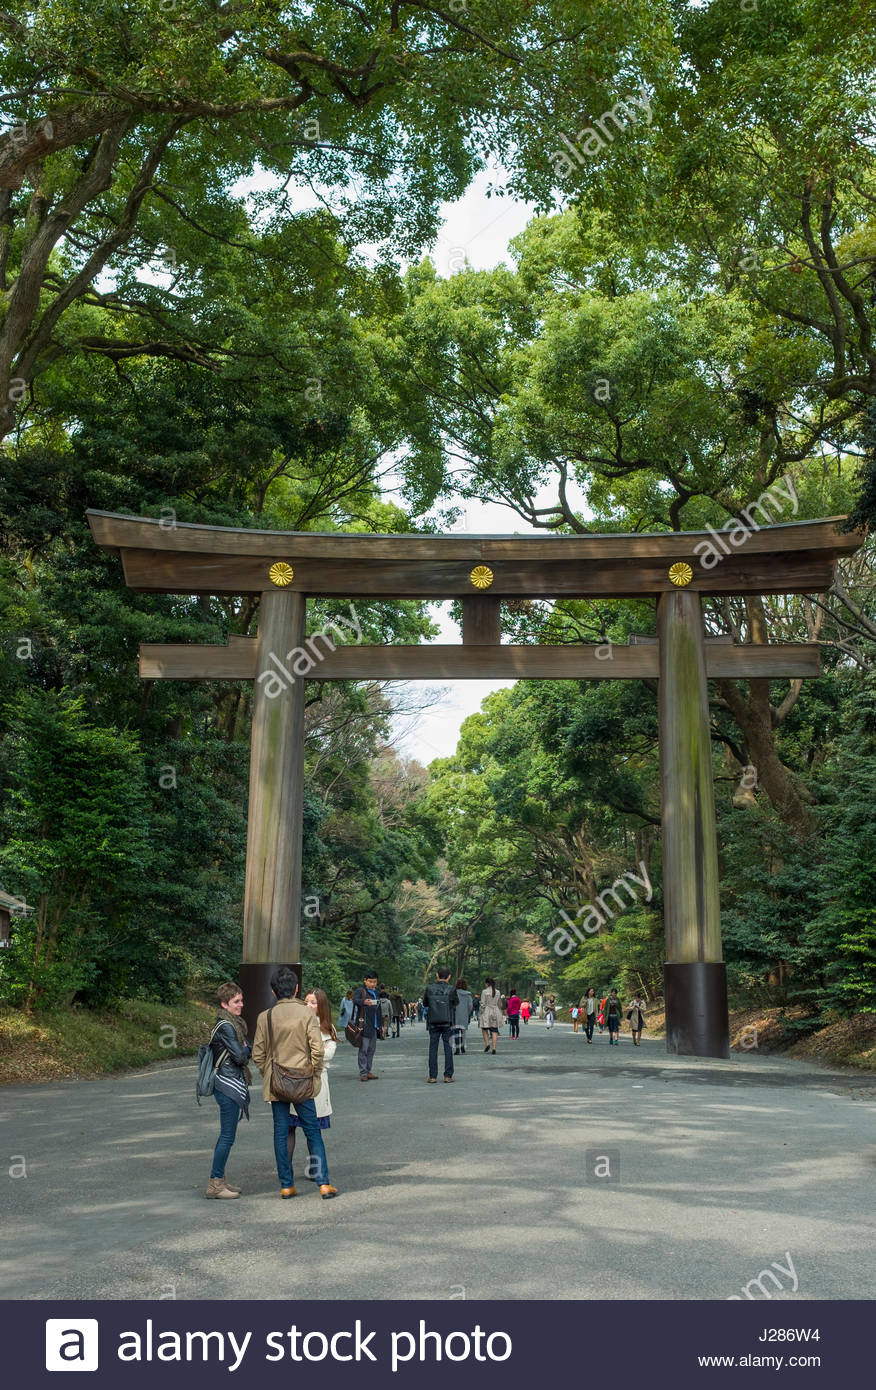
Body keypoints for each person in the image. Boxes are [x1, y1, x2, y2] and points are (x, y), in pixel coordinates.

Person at [251, 966, 336, 1199]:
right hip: (303, 1080)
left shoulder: (264, 1017)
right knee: (313, 1132)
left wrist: (268, 1073)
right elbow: (317, 1049)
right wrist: (314, 1074)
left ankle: (286, 1185)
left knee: (280, 1132)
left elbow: (258, 1054)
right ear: (297, 988)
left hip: (277, 1082)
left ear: (273, 991)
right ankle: (323, 1184)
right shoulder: (307, 1014)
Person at [205, 981, 252, 1200]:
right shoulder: (226, 1026)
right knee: (226, 1136)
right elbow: (240, 1056)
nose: (241, 1005)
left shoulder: (232, 1024)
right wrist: (248, 1047)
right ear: (224, 1004)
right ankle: (215, 1184)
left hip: (228, 1082)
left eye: (241, 1000)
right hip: (227, 1084)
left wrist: (244, 1047)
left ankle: (220, 1180)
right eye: (236, 1001)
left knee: (228, 1135)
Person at [288, 988, 337, 1180]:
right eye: (306, 1001)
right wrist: (317, 1051)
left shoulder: (327, 1028)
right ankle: (286, 1170)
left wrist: (309, 1052)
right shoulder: (295, 1023)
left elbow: (330, 1053)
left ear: (321, 1006)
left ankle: (315, 1170)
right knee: (289, 1128)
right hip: (294, 1081)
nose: (308, 1005)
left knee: (313, 1130)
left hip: (316, 1083)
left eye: (313, 1002)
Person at [422, 966, 459, 1082]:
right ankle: (448, 1075)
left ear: (437, 975)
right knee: (448, 1047)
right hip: (447, 1022)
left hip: (433, 1022)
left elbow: (425, 1003)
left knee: (433, 1048)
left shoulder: (429, 989)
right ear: (449, 977)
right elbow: (456, 1003)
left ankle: (432, 1076)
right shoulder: (452, 989)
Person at [352, 971, 382, 1080]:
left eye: (374, 982)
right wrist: (364, 1002)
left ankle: (369, 1070)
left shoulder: (376, 992)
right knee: (363, 1049)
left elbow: (379, 1009)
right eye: (370, 981)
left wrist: (381, 1024)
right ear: (365, 980)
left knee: (371, 1049)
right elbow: (354, 1000)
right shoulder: (361, 991)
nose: (372, 984)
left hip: (374, 1025)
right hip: (363, 1024)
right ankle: (363, 1072)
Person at [479, 976, 503, 1054]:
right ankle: (494, 1048)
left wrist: (480, 1012)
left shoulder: (484, 992)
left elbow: (483, 1004)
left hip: (486, 1011)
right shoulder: (498, 992)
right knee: (494, 1030)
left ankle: (487, 1044)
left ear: (487, 984)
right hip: (495, 1011)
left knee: (484, 1028)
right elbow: (499, 1003)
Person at [452, 977, 473, 1054]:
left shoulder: (453, 993)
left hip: (455, 1015)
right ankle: (463, 1046)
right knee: (463, 1031)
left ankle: (457, 1049)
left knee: (456, 1031)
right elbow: (470, 1006)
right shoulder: (468, 995)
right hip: (464, 1015)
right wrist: (467, 1013)